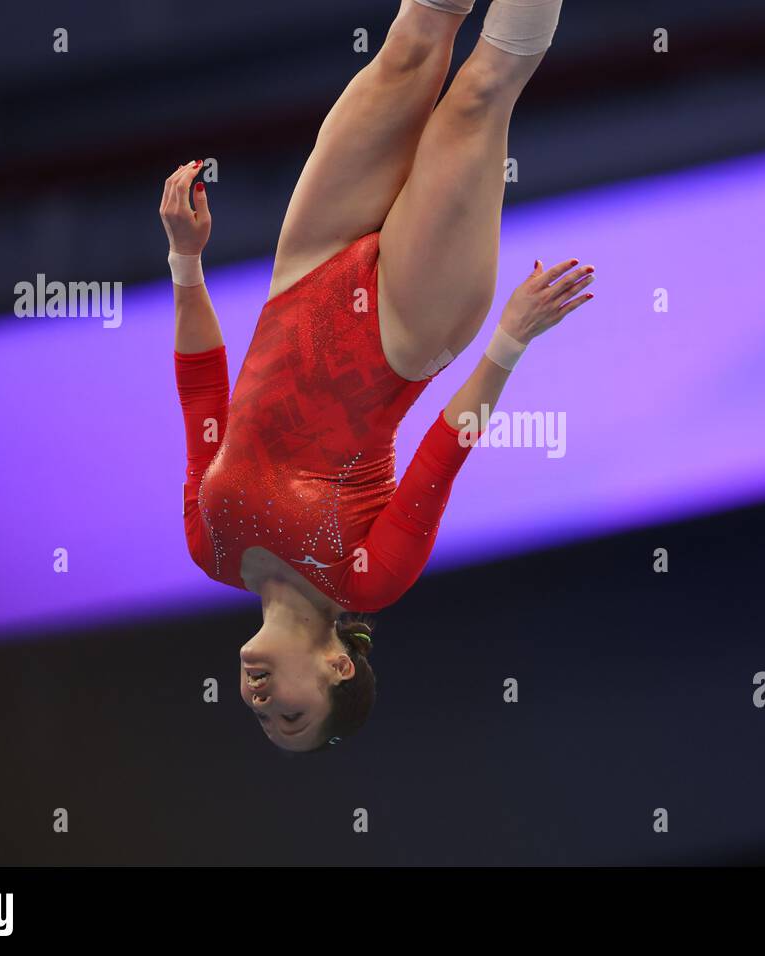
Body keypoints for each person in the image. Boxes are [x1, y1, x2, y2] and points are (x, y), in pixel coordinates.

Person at [160, 0, 593, 752]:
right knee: (477, 95)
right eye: (289, 715)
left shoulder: (209, 549)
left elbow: (203, 399)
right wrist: (510, 342)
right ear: (335, 667)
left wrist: (185, 260)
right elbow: (439, 458)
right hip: (406, 328)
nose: (261, 704)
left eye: (259, 719)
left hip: (303, 272)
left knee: (413, 39)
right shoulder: (367, 580)